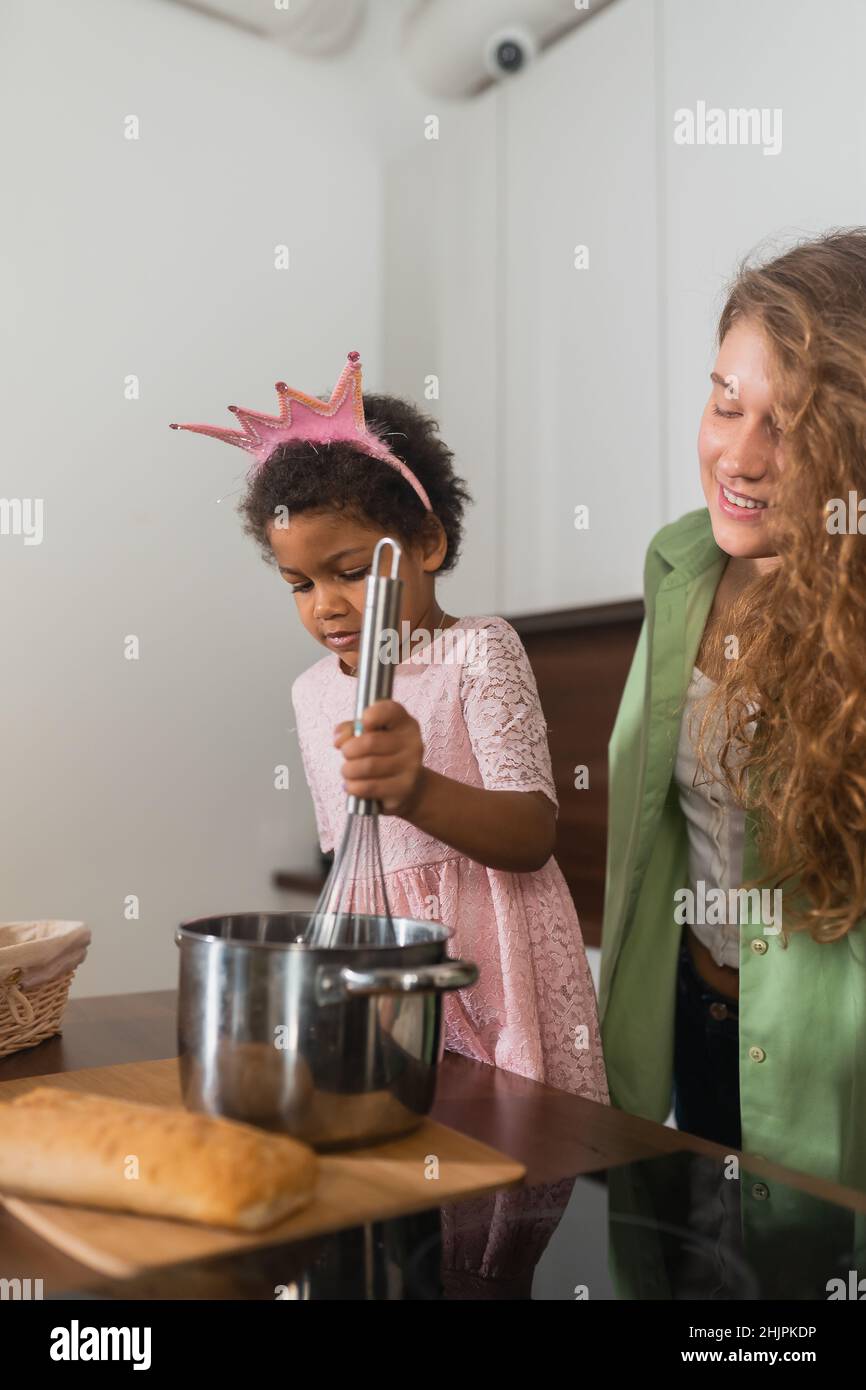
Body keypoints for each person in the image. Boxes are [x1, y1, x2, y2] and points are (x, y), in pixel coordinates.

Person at [172, 351, 608, 1101]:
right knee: (398, 1138)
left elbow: (531, 836)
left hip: (494, 959)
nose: (327, 606)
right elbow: (352, 855)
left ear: (428, 545)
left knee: (502, 1144)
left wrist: (415, 789)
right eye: (300, 585)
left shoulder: (479, 651)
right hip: (381, 973)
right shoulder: (312, 693)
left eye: (350, 571)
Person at [600, 230, 866, 1189]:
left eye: (787, 426)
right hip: (688, 1023)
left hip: (825, 1068)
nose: (738, 456)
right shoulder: (679, 567)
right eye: (724, 404)